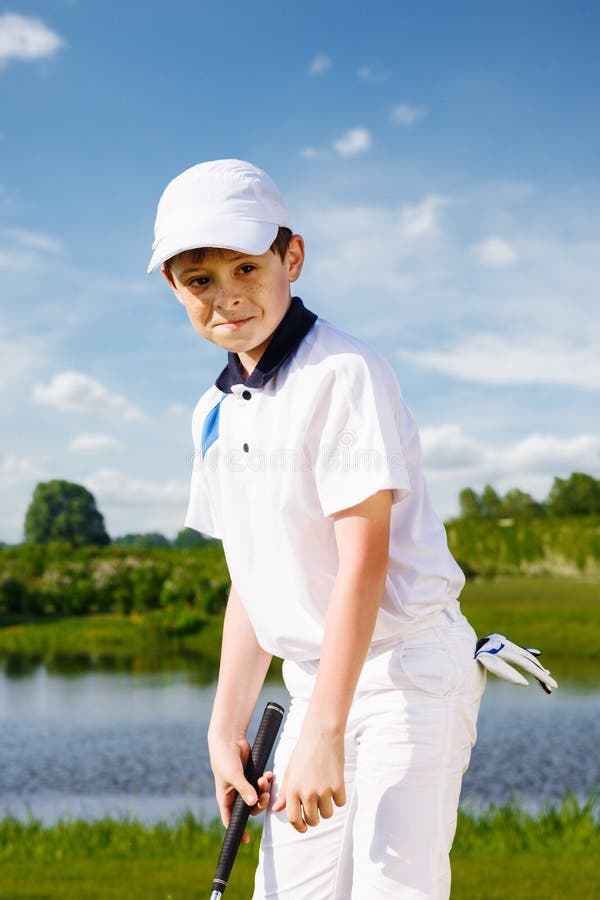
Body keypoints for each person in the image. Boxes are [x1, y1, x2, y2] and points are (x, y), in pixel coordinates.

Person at [146, 159, 527, 899]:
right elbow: (253, 580)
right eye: (199, 280)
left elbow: (365, 562)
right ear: (173, 288)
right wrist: (225, 729)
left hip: (405, 673)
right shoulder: (213, 413)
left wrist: (322, 731)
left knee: (395, 888)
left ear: (292, 257)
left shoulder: (344, 371)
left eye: (247, 267)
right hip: (316, 683)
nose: (226, 297)